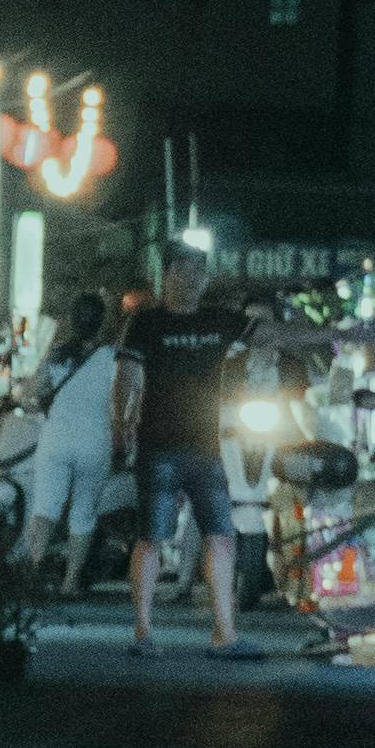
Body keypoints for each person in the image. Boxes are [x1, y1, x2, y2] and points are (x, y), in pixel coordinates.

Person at [117, 236, 251, 655]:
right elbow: (126, 375)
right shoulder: (146, 322)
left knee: (222, 535)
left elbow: (274, 334)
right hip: (158, 446)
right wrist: (122, 423)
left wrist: (345, 332)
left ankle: (225, 633)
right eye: (182, 271)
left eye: (198, 272)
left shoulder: (219, 320)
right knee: (152, 537)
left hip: (206, 448)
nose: (191, 279)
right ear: (165, 275)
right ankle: (143, 631)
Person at [18, 297, 124, 589]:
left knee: (44, 508)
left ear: (72, 320)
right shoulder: (115, 357)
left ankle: (34, 569)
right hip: (95, 441)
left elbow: (29, 395)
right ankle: (70, 580)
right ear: (103, 323)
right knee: (84, 512)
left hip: (56, 440)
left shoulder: (57, 354)